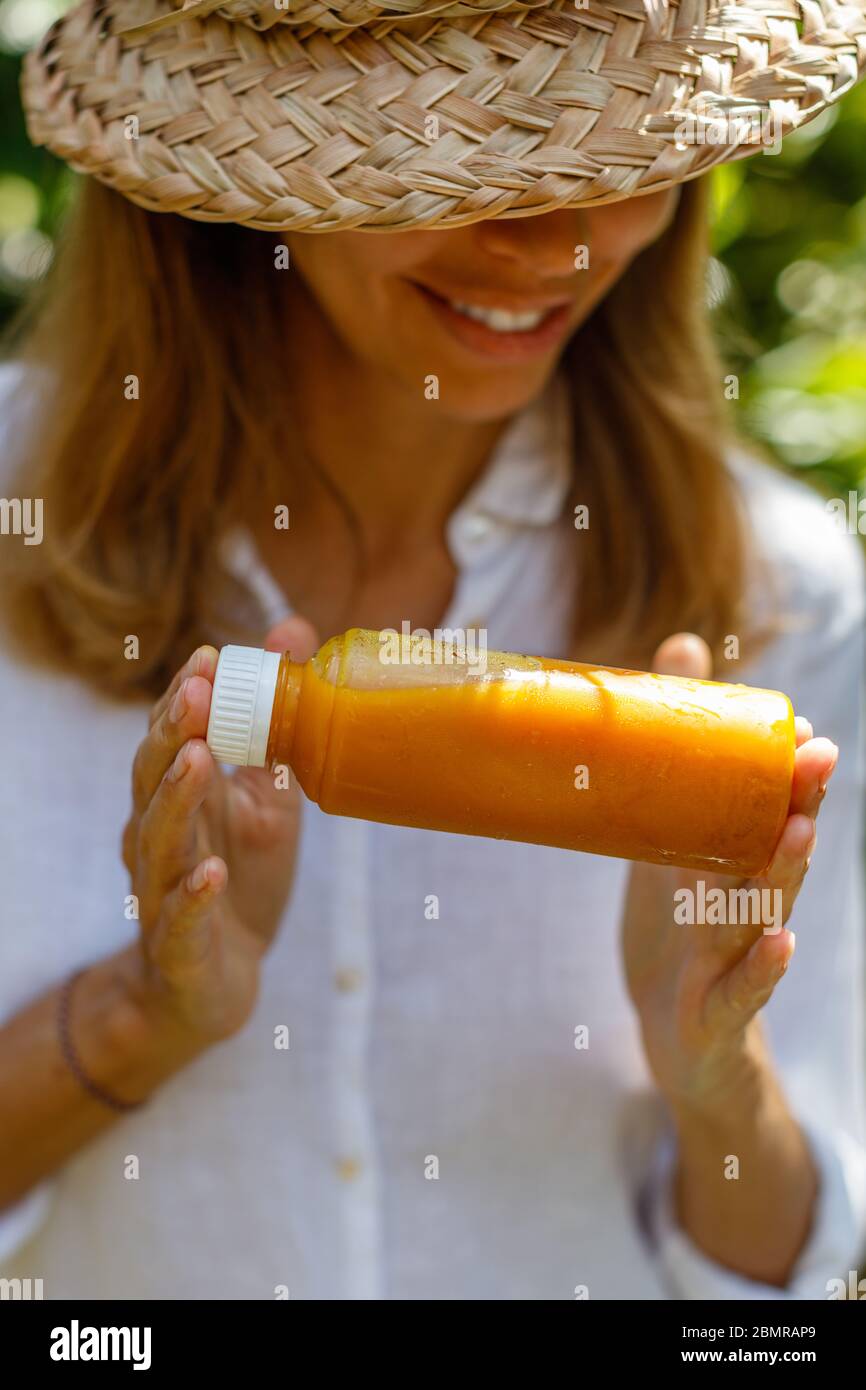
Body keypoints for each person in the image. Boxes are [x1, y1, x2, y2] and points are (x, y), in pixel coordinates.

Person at [0, 0, 864, 1300]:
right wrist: (139, 1013)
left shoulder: (772, 587)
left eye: (612, 159)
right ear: (232, 171)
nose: (552, 244)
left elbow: (775, 1289)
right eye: (459, 170)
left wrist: (712, 1079)